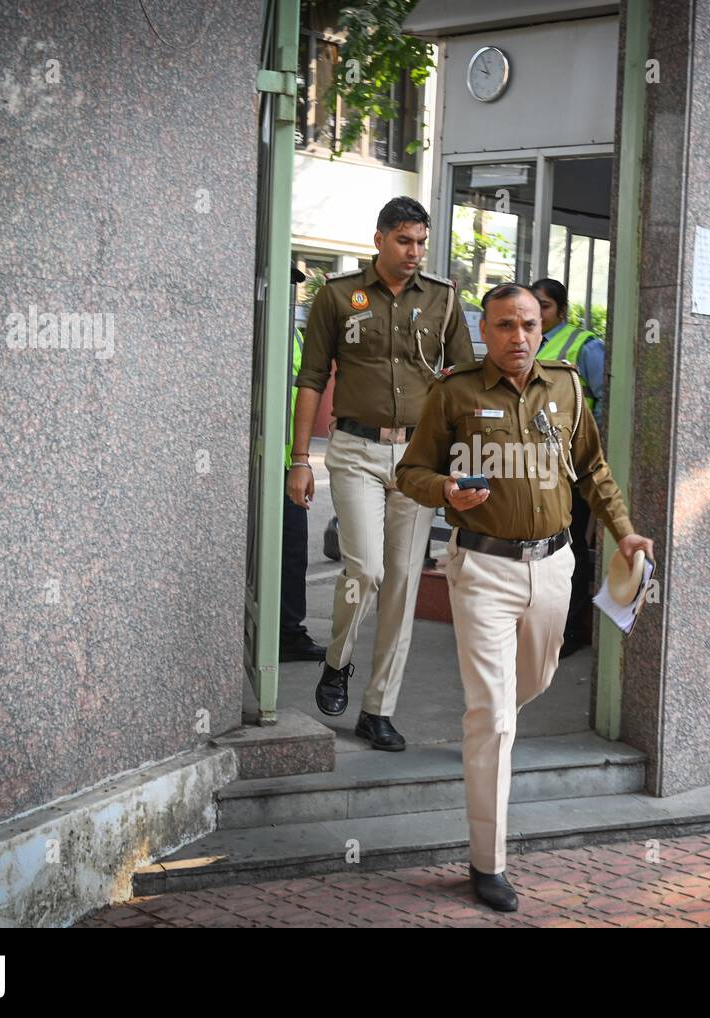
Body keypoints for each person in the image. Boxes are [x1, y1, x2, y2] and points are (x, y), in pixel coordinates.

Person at [395, 282, 652, 911]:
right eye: (506, 325)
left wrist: (623, 533)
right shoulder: (455, 391)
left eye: (529, 324)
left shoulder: (564, 386)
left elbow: (592, 467)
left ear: (544, 327)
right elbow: (410, 472)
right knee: (493, 717)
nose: (519, 337)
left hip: (554, 566)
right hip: (482, 569)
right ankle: (489, 862)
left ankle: (493, 720)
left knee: (529, 682)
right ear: (486, 329)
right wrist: (446, 492)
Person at [287, 197, 475, 751]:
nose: (414, 252)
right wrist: (300, 460)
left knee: (402, 583)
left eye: (421, 242)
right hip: (354, 450)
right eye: (403, 241)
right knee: (365, 570)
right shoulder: (339, 295)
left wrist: (462, 462)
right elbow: (312, 378)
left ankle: (379, 708)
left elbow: (463, 382)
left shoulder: (442, 301)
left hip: (417, 459)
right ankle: (337, 660)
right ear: (379, 240)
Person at [530, 278, 606, 658]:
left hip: (572, 469)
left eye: (543, 306)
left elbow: (604, 401)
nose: (536, 314)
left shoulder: (585, 345)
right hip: (531, 468)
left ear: (560, 309)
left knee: (568, 551)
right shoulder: (524, 342)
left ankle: (570, 630)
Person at [280, 294, 326, 662]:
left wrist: (302, 460)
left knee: (293, 552)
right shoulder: (258, 328)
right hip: (262, 464)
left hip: (287, 463)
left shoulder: (294, 335)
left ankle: (287, 634)